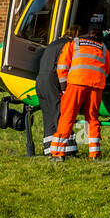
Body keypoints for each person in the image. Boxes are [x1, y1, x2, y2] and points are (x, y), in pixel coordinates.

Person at [51, 26, 110, 160]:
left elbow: (62, 66)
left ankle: (58, 154)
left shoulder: (74, 43)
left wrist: (64, 86)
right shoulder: (104, 48)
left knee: (68, 116)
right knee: (92, 118)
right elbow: (106, 71)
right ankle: (95, 154)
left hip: (76, 83)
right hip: (96, 85)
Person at [35, 25, 79, 157]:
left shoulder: (53, 44)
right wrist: (64, 88)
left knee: (48, 116)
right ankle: (68, 150)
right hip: (52, 81)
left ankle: (49, 150)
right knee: (61, 115)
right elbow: (64, 66)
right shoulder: (68, 45)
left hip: (40, 81)